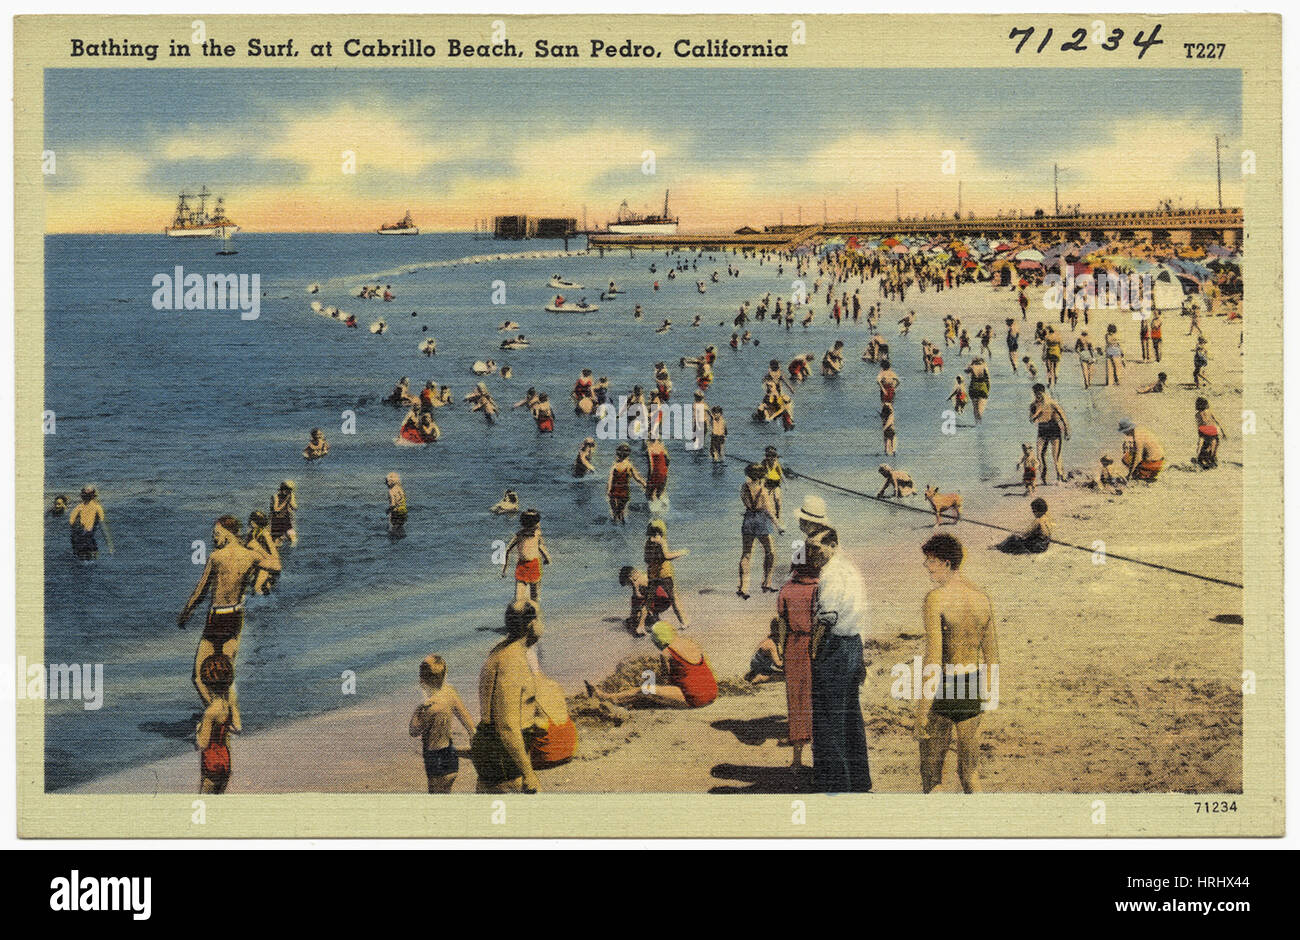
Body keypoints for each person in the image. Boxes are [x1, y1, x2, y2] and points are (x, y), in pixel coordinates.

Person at [178, 515, 282, 729]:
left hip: (216, 618)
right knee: (226, 675)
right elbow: (277, 565)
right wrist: (260, 544)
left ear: (226, 533)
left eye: (216, 534)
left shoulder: (217, 557)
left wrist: (186, 611)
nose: (214, 539)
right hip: (235, 617)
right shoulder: (250, 555)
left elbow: (201, 590)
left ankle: (219, 712)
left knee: (198, 677)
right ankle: (236, 720)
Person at [797, 495, 872, 793]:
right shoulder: (851, 569)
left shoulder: (829, 575)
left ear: (831, 545)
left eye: (817, 550)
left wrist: (813, 654)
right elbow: (861, 614)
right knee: (851, 716)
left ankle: (834, 782)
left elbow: (825, 620)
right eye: (810, 550)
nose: (813, 555)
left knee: (827, 718)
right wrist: (861, 658)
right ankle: (858, 778)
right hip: (853, 644)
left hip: (835, 648)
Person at [915, 534, 997, 794]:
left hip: (945, 686)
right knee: (970, 773)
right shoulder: (982, 598)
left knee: (932, 776)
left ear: (946, 563)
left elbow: (934, 658)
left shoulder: (935, 599)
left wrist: (922, 709)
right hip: (972, 685)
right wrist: (986, 698)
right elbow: (992, 657)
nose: (926, 567)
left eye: (930, 561)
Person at [472, 601, 543, 793]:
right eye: (540, 618)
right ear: (531, 625)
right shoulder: (512, 661)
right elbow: (507, 725)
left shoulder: (500, 651)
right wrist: (528, 773)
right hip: (503, 755)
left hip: (492, 749)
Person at [584, 622, 717, 709]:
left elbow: (667, 679)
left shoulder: (666, 652)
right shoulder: (691, 643)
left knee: (644, 689)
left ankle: (607, 698)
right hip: (712, 691)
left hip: (696, 698)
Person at [775, 538, 818, 771]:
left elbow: (782, 624)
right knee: (816, 699)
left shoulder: (786, 590)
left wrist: (781, 650)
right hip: (816, 645)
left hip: (794, 645)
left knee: (797, 701)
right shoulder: (820, 588)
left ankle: (797, 760)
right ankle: (819, 754)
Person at [409, 654, 475, 793]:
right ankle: (462, 752)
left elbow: (413, 731)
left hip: (435, 760)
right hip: (450, 758)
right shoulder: (450, 692)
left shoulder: (428, 707)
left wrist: (418, 710)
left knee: (436, 800)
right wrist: (472, 733)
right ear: (445, 676)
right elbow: (466, 719)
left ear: (422, 680)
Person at [738, 464, 780, 599]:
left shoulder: (744, 487)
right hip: (762, 520)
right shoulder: (763, 490)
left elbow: (744, 501)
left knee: (746, 554)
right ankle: (766, 582)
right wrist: (779, 525)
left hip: (748, 518)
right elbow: (768, 510)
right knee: (770, 552)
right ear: (762, 476)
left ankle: (743, 587)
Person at [195, 653, 235, 794]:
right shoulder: (226, 706)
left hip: (211, 761)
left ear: (208, 684)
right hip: (225, 759)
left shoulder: (210, 712)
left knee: (205, 800)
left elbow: (202, 743)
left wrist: (198, 728)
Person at [645, 520, 689, 627]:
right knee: (674, 598)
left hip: (652, 575)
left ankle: (650, 621)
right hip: (664, 574)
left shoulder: (648, 542)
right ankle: (683, 622)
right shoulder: (662, 541)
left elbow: (646, 559)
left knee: (650, 599)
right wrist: (681, 553)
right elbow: (666, 556)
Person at [502, 509, 551, 603]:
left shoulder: (523, 535)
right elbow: (541, 547)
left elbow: (508, 550)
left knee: (528, 598)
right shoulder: (529, 534)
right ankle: (531, 614)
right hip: (524, 566)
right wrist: (547, 558)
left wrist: (504, 569)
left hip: (532, 565)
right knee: (529, 598)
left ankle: (532, 615)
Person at [1028, 384, 1070, 483]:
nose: (1038, 396)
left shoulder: (1052, 403)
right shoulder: (1033, 405)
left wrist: (1067, 430)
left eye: (1039, 394)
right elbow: (1031, 420)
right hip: (1042, 430)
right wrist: (1038, 412)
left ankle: (1060, 476)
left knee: (1056, 456)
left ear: (1043, 393)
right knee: (1039, 455)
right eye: (1036, 394)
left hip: (1054, 429)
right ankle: (1043, 477)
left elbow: (1063, 415)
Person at [619, 565, 670, 636]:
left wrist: (634, 615)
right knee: (645, 599)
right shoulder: (644, 575)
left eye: (629, 583)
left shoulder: (636, 581)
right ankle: (655, 620)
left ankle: (640, 627)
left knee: (640, 602)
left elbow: (636, 597)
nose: (630, 586)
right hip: (666, 601)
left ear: (631, 577)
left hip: (660, 600)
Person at [69, 485, 111, 560]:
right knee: (92, 559)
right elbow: (102, 525)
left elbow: (71, 521)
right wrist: (109, 545)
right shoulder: (97, 507)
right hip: (88, 537)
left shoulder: (79, 507)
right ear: (94, 496)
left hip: (78, 537)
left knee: (80, 559)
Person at [607, 443, 645, 523]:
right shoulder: (629, 465)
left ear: (617, 454)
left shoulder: (615, 465)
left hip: (614, 492)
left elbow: (610, 479)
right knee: (622, 512)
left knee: (615, 514)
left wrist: (608, 490)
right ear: (628, 455)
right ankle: (623, 526)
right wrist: (644, 484)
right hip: (624, 493)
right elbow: (637, 478)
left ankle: (615, 530)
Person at [1118, 417, 1165, 482]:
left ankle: (1144, 475)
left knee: (1126, 458)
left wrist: (1129, 474)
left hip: (1154, 464)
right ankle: (1144, 474)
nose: (1124, 433)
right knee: (1131, 456)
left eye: (1124, 431)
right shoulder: (1140, 431)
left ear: (1128, 429)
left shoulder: (1138, 437)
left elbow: (1137, 458)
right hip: (1159, 461)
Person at [744, 618, 785, 684]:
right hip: (760, 668)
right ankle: (757, 679)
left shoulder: (771, 641)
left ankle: (753, 676)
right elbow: (778, 664)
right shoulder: (771, 645)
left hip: (760, 667)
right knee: (781, 676)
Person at [1196, 397, 1226, 469]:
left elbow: (1199, 425)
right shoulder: (1209, 412)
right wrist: (1222, 432)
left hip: (1203, 430)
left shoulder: (1197, 414)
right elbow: (1217, 421)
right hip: (1212, 429)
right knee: (1215, 443)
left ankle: (1200, 456)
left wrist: (1200, 437)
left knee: (1204, 444)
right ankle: (1213, 457)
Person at [269, 480, 297, 546]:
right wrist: (286, 500)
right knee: (277, 543)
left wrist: (291, 498)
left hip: (286, 519)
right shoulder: (275, 497)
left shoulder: (289, 495)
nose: (287, 491)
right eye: (286, 489)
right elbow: (276, 509)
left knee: (293, 539)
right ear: (282, 489)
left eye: (289, 490)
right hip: (276, 520)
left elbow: (295, 507)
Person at [645, 437, 670, 502]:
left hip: (655, 473)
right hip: (664, 473)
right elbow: (668, 460)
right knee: (660, 492)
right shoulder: (662, 446)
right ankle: (661, 503)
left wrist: (649, 477)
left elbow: (651, 464)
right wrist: (665, 470)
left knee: (648, 494)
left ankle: (653, 506)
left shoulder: (649, 448)